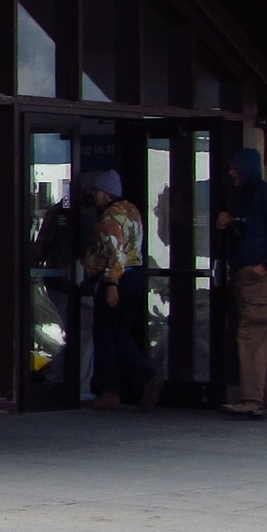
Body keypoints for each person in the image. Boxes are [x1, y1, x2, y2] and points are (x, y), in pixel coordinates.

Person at [216, 149, 267, 419]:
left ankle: (251, 399)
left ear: (245, 168)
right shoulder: (247, 197)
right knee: (259, 338)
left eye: (234, 168)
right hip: (245, 274)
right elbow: (250, 235)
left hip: (259, 277)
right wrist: (230, 226)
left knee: (249, 336)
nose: (231, 173)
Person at [81, 170, 153, 409]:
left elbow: (115, 252)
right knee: (120, 333)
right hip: (137, 275)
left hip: (119, 278)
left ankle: (111, 390)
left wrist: (111, 283)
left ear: (105, 192)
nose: (93, 196)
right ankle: (144, 377)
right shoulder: (131, 211)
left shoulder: (109, 218)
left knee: (106, 334)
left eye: (96, 191)